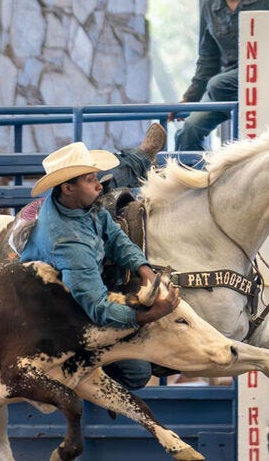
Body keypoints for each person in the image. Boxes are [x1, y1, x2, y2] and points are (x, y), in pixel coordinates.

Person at [19, 142, 180, 390]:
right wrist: (150, 315)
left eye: (95, 177)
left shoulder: (83, 204)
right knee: (137, 374)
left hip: (86, 288)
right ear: (68, 188)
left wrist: (145, 270)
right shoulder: (68, 242)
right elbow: (97, 308)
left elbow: (115, 238)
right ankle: (86, 380)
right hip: (63, 316)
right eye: (90, 179)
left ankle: (140, 156)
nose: (98, 184)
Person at [174, 0, 269, 151]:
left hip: (262, 77)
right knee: (189, 131)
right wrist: (189, 98)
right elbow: (207, 59)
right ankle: (203, 176)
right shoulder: (210, 4)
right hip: (228, 85)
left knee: (217, 84)